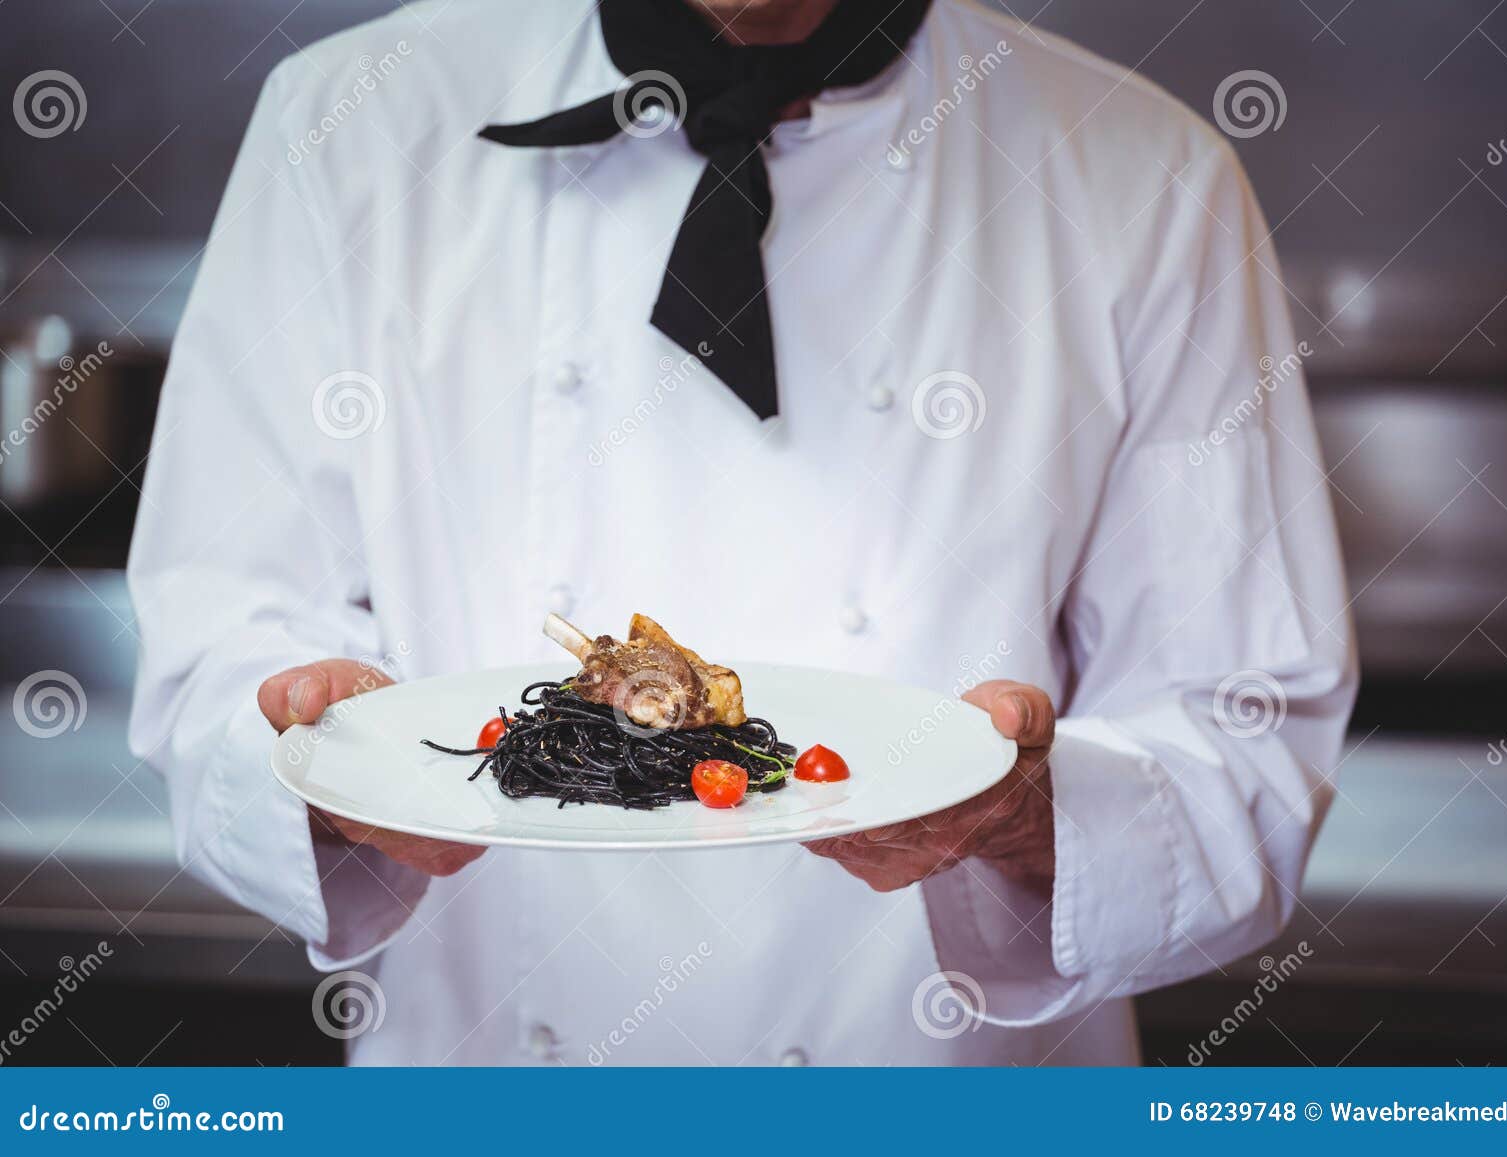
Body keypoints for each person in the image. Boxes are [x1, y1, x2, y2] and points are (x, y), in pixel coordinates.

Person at [128, 0, 1357, 1066]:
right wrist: (330, 764)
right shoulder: (346, 125)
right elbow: (215, 648)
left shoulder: (1143, 175)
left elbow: (1242, 736)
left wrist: (1025, 816)